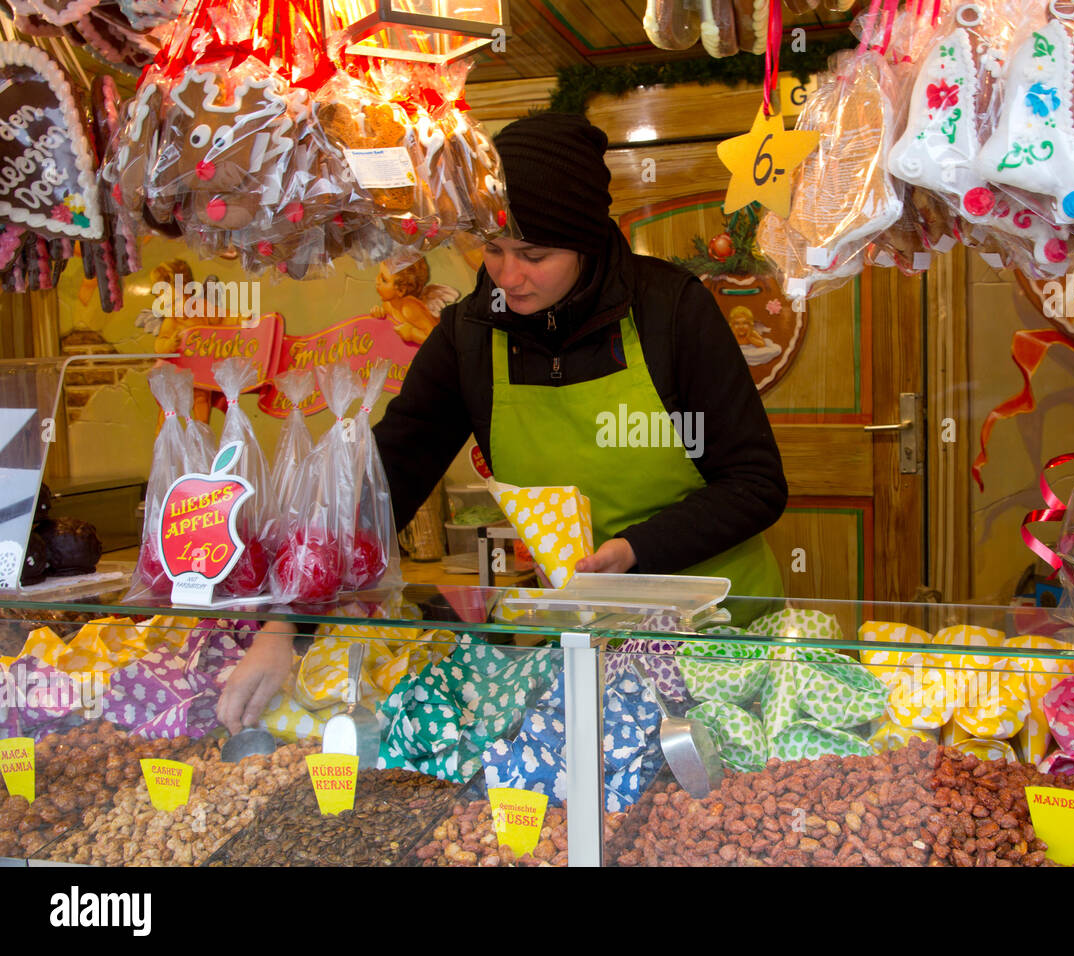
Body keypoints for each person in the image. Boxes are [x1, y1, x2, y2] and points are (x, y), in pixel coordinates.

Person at [216, 112, 787, 735]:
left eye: (534, 255)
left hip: (720, 647)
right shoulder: (470, 334)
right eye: (493, 249)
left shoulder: (671, 311)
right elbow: (383, 485)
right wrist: (284, 625)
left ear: (588, 240)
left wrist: (635, 551)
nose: (509, 276)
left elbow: (754, 483)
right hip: (584, 648)